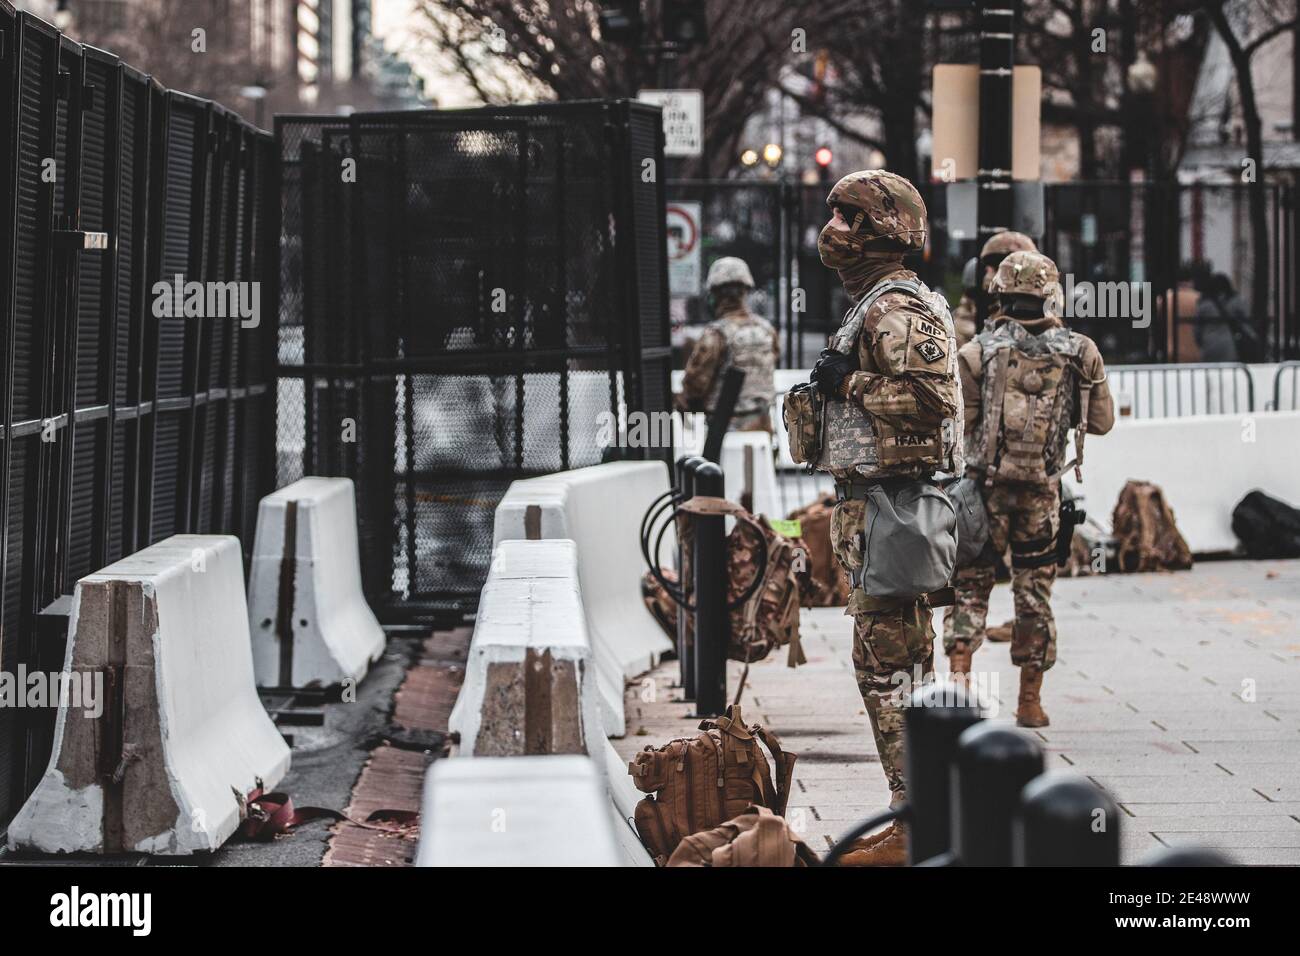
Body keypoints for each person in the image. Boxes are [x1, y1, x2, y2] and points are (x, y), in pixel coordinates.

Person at [806, 170, 963, 866]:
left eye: (848, 214)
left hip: (892, 513)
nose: (834, 227)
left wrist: (849, 383)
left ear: (883, 227)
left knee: (889, 669)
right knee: (895, 666)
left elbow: (934, 400)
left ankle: (915, 823)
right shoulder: (872, 303)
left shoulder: (892, 306)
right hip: (877, 513)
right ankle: (918, 814)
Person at [944, 250, 1114, 727]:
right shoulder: (1081, 351)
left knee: (970, 589)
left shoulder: (976, 352)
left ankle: (959, 689)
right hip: (1043, 495)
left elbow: (963, 425)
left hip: (983, 494)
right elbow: (1101, 422)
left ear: (998, 292)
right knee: (1034, 595)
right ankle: (1029, 702)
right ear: (1049, 293)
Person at [675, 257, 779, 432]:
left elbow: (695, 385)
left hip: (727, 428)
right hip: (763, 425)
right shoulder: (767, 329)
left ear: (715, 294)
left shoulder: (716, 334)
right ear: (745, 291)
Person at [1194, 272, 1255, 362]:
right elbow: (1246, 322)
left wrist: (1202, 343)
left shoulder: (1204, 305)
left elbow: (1197, 331)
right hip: (1230, 345)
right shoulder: (1236, 302)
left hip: (1209, 345)